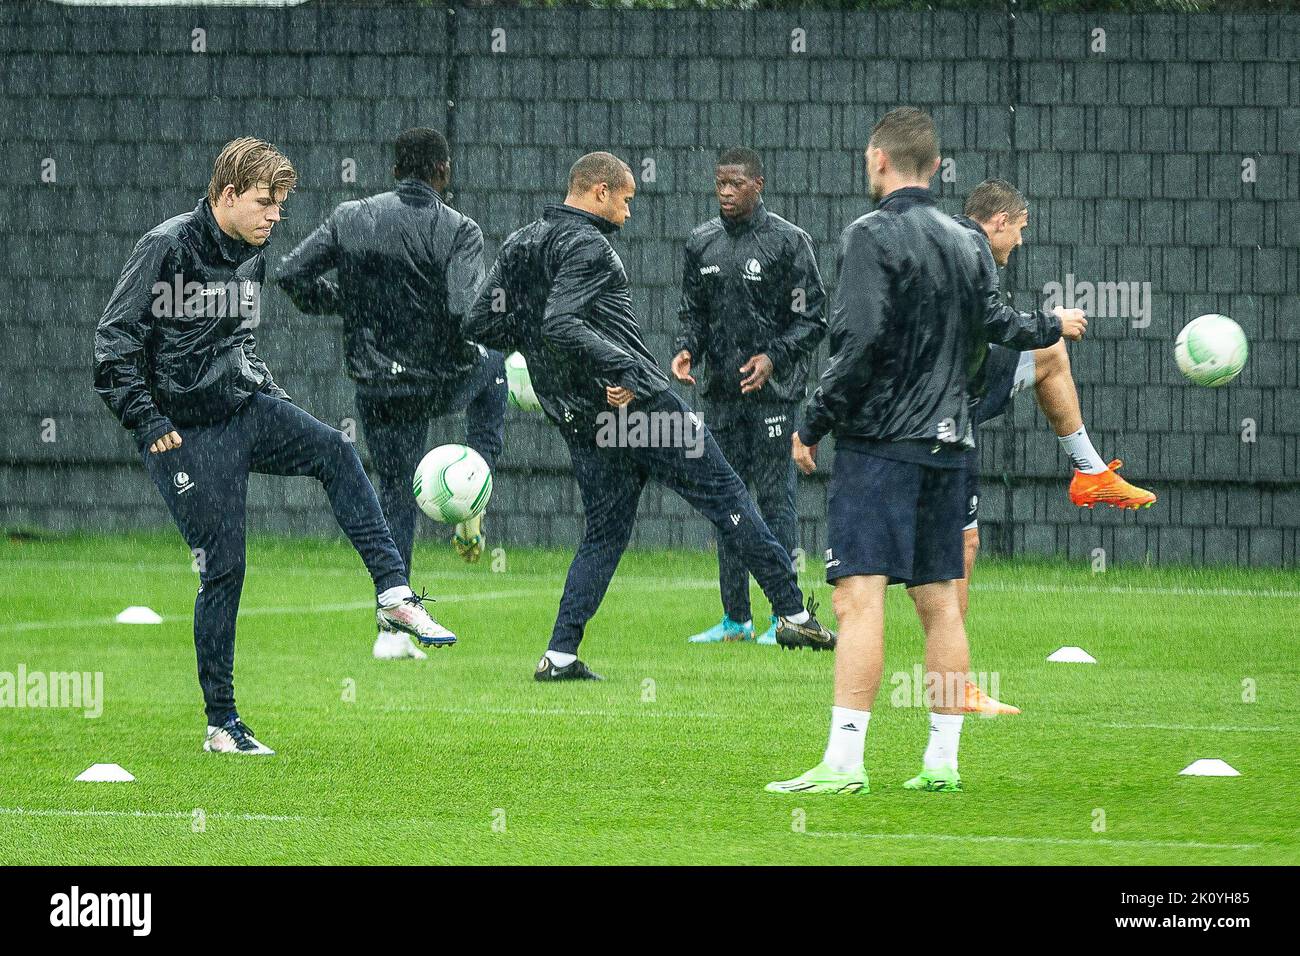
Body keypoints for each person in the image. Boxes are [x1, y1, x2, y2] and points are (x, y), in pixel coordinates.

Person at [93, 138, 455, 755]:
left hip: (244, 410)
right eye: (265, 203)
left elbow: (236, 343)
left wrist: (270, 395)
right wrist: (149, 422)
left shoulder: (252, 254)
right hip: (183, 433)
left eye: (282, 205)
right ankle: (222, 724)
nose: (276, 217)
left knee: (335, 451)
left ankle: (394, 595)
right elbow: (112, 344)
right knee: (224, 566)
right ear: (228, 196)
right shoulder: (166, 246)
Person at [765, 109, 1086, 795]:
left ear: (877, 159)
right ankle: (942, 761)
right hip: (951, 445)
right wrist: (1050, 324)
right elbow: (999, 327)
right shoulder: (965, 240)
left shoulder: (869, 234)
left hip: (882, 446)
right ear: (936, 168)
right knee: (941, 603)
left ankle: (845, 764)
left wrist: (812, 423)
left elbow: (857, 347)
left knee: (857, 597)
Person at [466, 151, 836, 681]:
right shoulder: (590, 247)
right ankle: (794, 613)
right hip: (641, 409)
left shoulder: (522, 242)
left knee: (604, 533)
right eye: (626, 200)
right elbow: (562, 323)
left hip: (587, 422)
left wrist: (573, 376)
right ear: (599, 192)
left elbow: (484, 322)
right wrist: (616, 367)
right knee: (728, 495)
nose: (629, 212)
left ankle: (560, 654)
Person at [277, 128, 506, 660]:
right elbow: (461, 309)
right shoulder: (458, 228)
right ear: (443, 172)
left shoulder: (350, 216)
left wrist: (348, 305)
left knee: (396, 495)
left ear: (394, 169)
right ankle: (478, 477)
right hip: (439, 378)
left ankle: (390, 630)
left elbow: (290, 275)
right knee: (497, 362)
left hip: (380, 384)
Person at [672, 147, 827, 646]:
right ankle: (734, 619)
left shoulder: (788, 242)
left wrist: (772, 358)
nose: (725, 192)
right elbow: (693, 313)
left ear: (758, 185)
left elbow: (813, 320)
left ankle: (784, 616)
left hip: (774, 399)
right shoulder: (701, 243)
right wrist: (687, 350)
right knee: (725, 501)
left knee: (775, 502)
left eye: (735, 184)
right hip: (721, 397)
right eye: (720, 183)